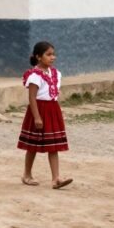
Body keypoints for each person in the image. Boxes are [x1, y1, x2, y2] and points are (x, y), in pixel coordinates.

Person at [17, 41, 72, 189]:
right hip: (39, 110)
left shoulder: (56, 74)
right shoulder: (34, 76)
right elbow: (32, 98)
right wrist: (36, 117)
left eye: (53, 54)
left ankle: (56, 179)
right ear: (38, 57)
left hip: (52, 109)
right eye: (48, 54)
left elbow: (53, 94)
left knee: (53, 145)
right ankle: (27, 175)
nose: (52, 57)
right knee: (32, 145)